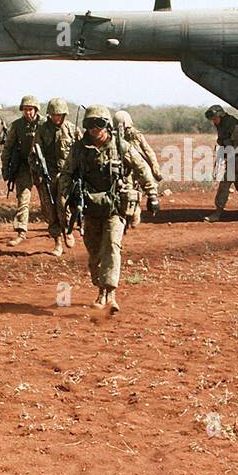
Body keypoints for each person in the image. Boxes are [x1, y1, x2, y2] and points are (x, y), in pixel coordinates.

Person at [59, 105, 159, 313]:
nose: (95, 129)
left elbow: (142, 168)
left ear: (107, 125)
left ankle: (109, 294)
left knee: (112, 246)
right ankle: (100, 289)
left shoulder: (121, 147)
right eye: (90, 124)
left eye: (100, 123)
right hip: (89, 207)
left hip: (115, 206)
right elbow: (67, 173)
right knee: (94, 251)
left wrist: (152, 194)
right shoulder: (79, 149)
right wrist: (66, 196)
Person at [1, 94, 58, 250]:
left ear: (36, 110)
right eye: (25, 109)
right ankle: (21, 232)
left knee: (48, 201)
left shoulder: (45, 125)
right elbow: (8, 148)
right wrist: (5, 168)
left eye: (31, 109)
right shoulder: (17, 126)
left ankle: (56, 230)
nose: (28, 112)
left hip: (42, 167)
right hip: (24, 167)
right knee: (23, 200)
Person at [203, 105, 238, 222]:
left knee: (225, 183)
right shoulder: (221, 124)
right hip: (232, 156)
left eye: (215, 119)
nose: (214, 122)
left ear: (221, 115)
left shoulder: (233, 124)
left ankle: (218, 213)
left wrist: (228, 158)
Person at [36, 97, 76, 255]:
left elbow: (81, 150)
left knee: (63, 203)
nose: (56, 117)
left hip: (67, 174)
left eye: (59, 114)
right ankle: (57, 242)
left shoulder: (72, 130)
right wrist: (37, 172)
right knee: (50, 209)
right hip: (49, 175)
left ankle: (68, 230)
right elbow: (34, 153)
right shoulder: (42, 130)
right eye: (53, 114)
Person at [114, 110, 163, 227]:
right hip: (123, 169)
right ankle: (127, 215)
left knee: (134, 191)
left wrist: (155, 169)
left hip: (137, 168)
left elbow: (148, 151)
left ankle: (134, 212)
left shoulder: (136, 135)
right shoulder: (113, 138)